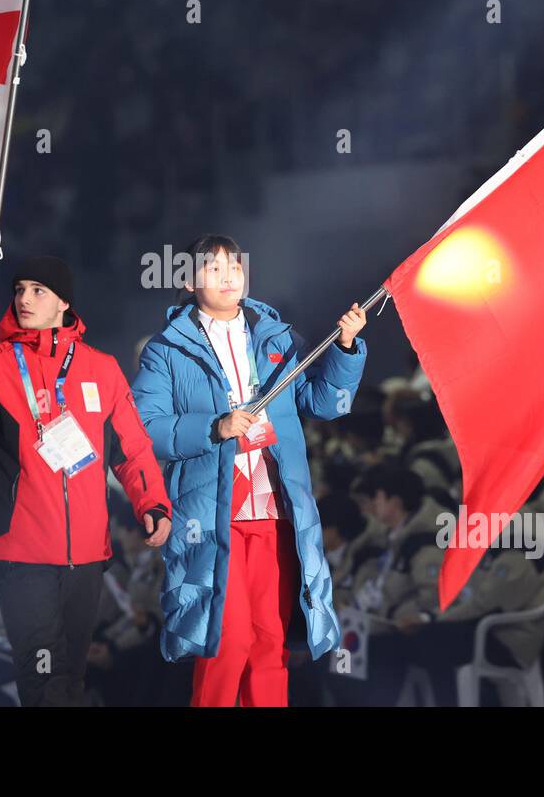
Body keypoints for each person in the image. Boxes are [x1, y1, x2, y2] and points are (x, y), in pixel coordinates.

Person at [131, 234, 368, 706]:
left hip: (277, 509)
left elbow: (324, 403)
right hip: (212, 516)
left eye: (234, 268)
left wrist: (344, 348)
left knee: (269, 645)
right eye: (213, 268)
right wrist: (215, 427)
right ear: (188, 279)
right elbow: (145, 427)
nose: (227, 277)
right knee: (225, 643)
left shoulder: (277, 337)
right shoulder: (167, 349)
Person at [0, 255, 172, 706]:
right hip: (22, 553)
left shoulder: (101, 369)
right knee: (43, 679)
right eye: (19, 289)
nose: (24, 298)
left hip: (87, 554)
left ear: (63, 302)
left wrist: (152, 504)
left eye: (38, 290)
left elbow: (132, 449)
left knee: (70, 680)